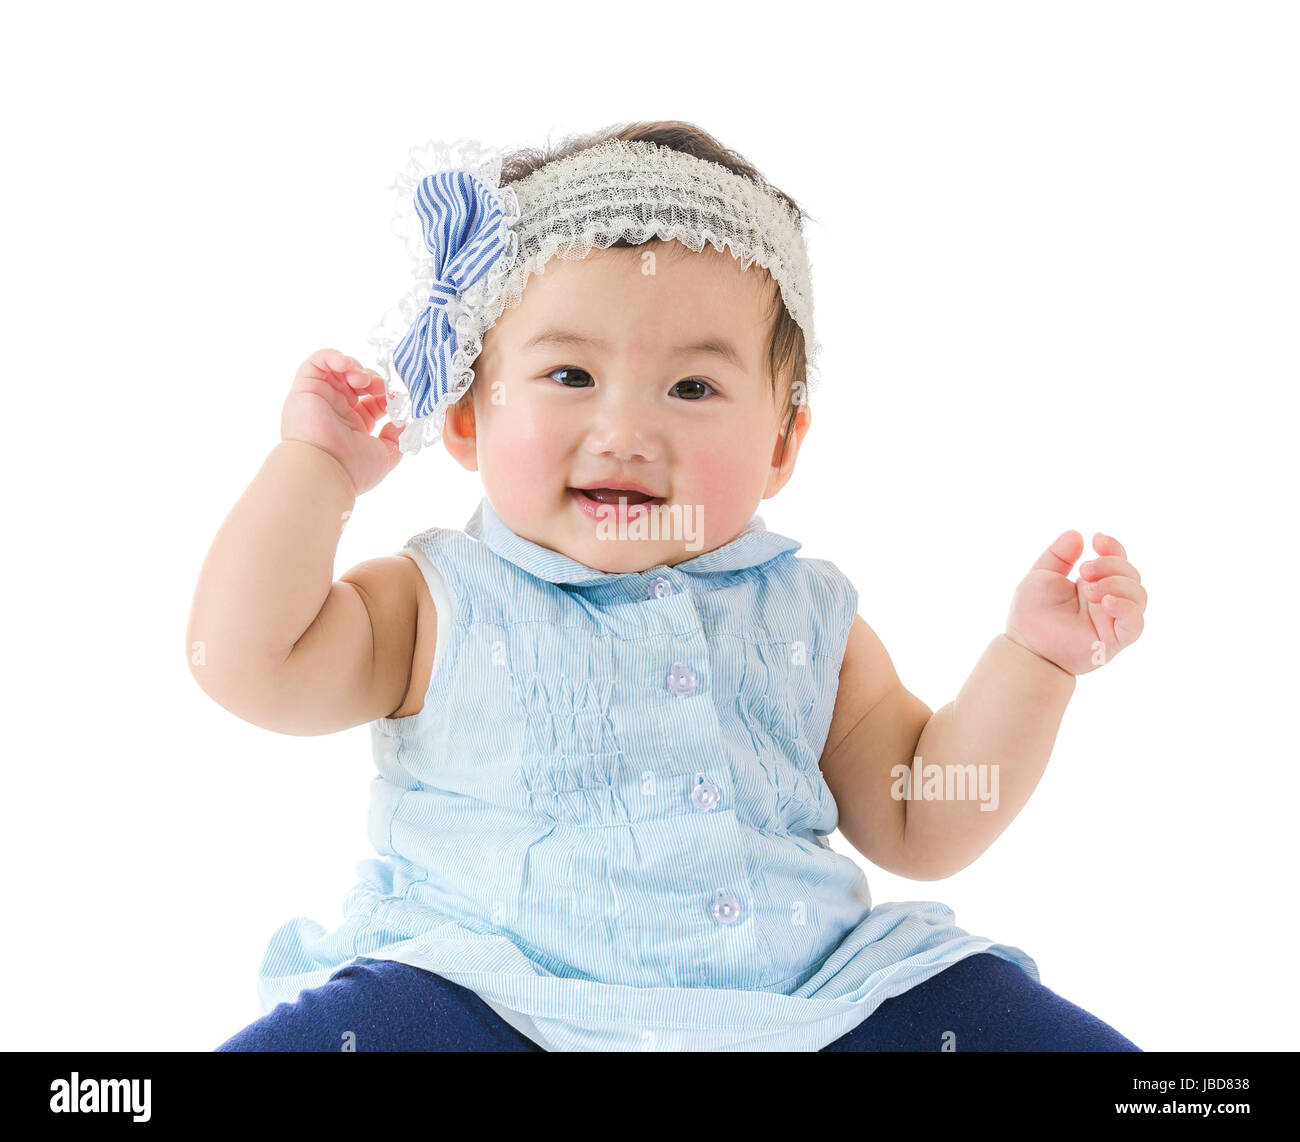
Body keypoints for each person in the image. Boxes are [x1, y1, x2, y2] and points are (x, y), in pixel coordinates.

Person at [190, 120, 1145, 1051]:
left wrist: (1034, 665)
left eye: (692, 389)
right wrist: (318, 468)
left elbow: (918, 820)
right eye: (570, 373)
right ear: (471, 415)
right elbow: (250, 662)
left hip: (801, 1010)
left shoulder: (805, 620)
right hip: (494, 997)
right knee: (366, 1026)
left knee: (991, 1012)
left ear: (781, 445)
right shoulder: (434, 601)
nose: (627, 431)